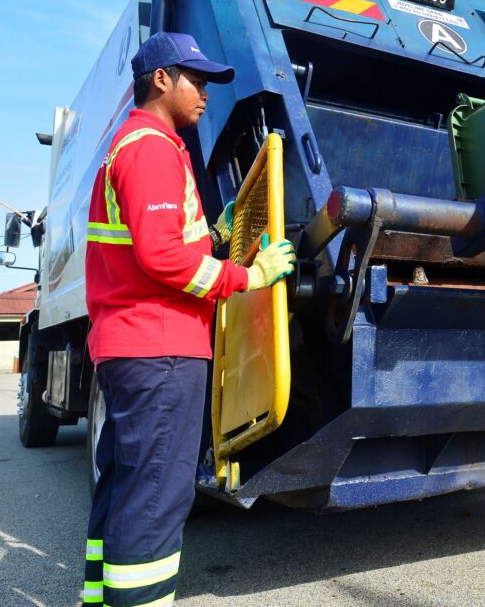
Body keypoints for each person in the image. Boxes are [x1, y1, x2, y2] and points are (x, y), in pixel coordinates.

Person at [81, 31, 295, 606]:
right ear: (161, 79)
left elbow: (158, 246)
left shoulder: (135, 146)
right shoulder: (151, 147)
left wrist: (218, 236)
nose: (205, 94)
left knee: (127, 484)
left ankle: (100, 596)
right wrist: (249, 276)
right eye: (196, 81)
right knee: (157, 492)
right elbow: (160, 257)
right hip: (160, 347)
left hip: (133, 345)